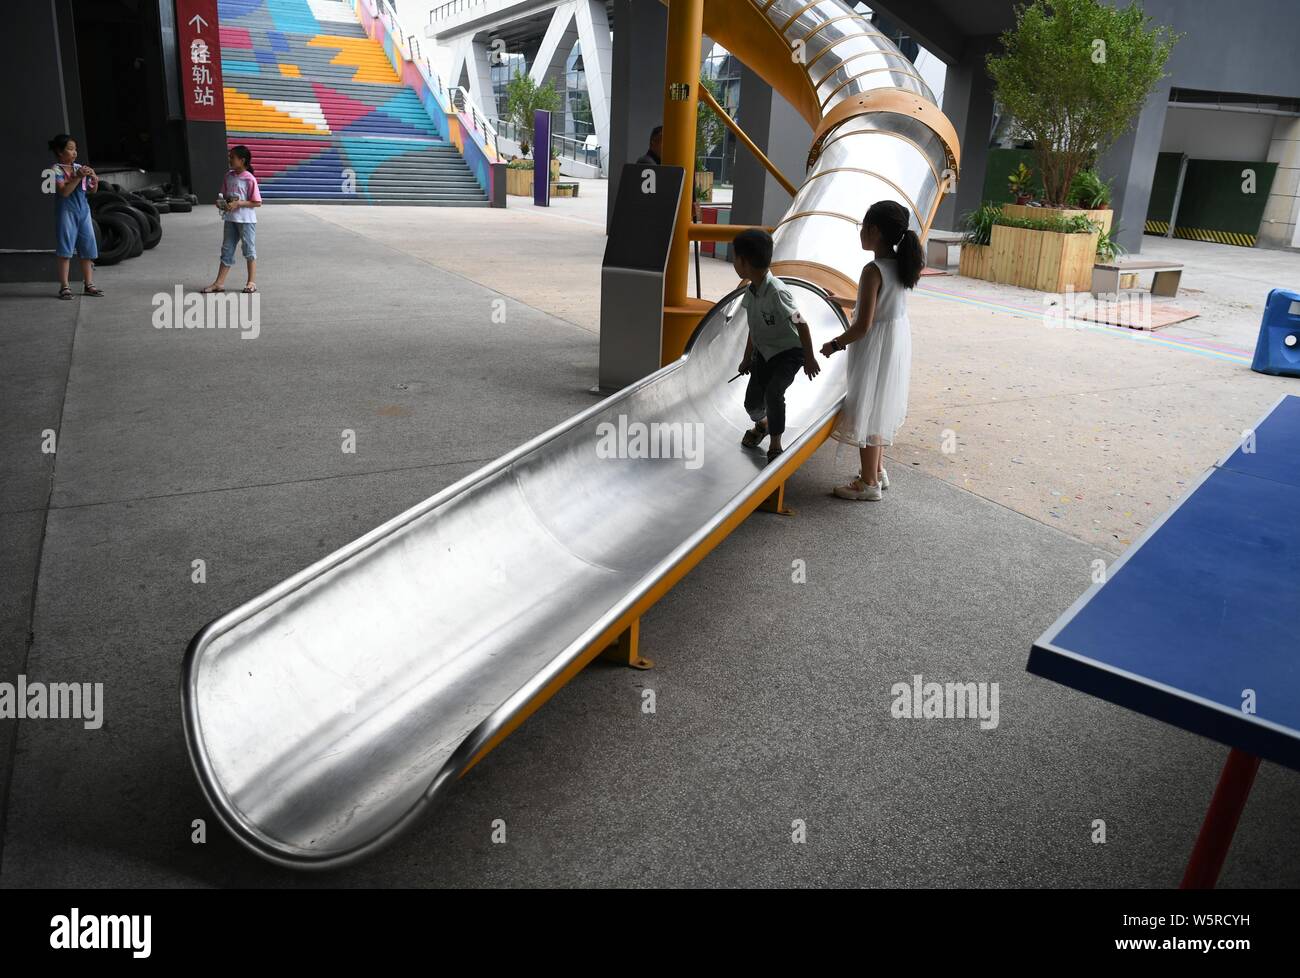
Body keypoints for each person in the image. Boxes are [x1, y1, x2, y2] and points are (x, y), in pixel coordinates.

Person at [819, 200, 922, 501]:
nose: (860, 232)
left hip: (874, 345)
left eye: (862, 226)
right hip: (895, 340)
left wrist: (834, 344)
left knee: (868, 408)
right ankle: (877, 471)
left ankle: (868, 485)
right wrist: (842, 300)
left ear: (874, 230)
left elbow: (863, 325)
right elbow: (877, 306)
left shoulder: (872, 269)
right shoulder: (900, 264)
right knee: (880, 405)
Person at [732, 228, 820, 463]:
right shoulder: (751, 292)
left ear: (744, 262)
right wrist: (746, 357)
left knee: (774, 392)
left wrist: (810, 358)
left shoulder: (778, 293)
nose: (733, 262)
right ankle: (763, 423)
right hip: (764, 353)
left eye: (735, 257)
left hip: (789, 353)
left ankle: (776, 444)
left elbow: (801, 324)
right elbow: (754, 326)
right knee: (751, 403)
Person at [48, 134, 103, 299]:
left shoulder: (79, 167)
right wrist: (77, 176)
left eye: (75, 149)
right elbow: (64, 192)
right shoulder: (55, 170)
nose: (74, 153)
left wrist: (94, 179)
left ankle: (89, 284)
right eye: (70, 149)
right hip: (66, 212)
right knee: (65, 249)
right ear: (59, 151)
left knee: (87, 247)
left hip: (83, 211)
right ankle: (64, 287)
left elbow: (91, 191)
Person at [203, 145, 261, 294]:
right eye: (230, 156)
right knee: (226, 250)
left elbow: (257, 202)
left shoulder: (249, 179)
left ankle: (251, 283)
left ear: (242, 160)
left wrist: (239, 203)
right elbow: (223, 195)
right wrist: (221, 203)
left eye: (232, 157)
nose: (230, 159)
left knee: (249, 250)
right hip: (230, 220)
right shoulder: (228, 176)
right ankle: (219, 283)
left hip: (246, 221)